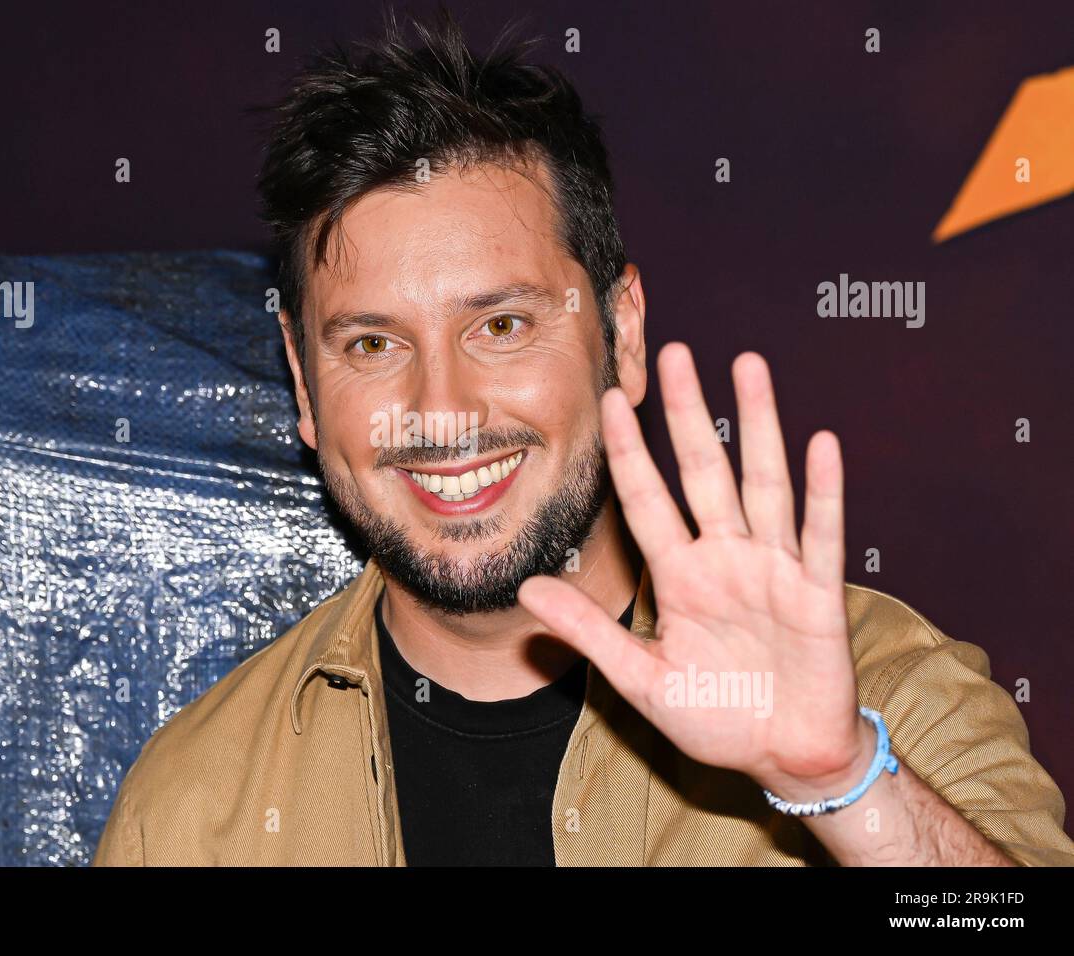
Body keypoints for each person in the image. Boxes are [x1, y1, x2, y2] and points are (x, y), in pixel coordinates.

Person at [93, 10, 1074, 866]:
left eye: (503, 324)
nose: (442, 409)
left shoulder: (885, 696)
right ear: (305, 383)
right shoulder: (191, 814)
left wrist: (844, 781)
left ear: (624, 333)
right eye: (374, 341)